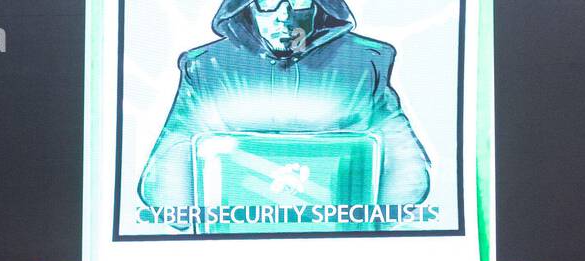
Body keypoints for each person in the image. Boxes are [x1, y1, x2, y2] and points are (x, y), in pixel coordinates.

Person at [139, 0, 431, 219]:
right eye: (268, 3)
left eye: (300, 2)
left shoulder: (365, 63)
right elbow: (164, 184)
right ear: (245, 8)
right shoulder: (205, 67)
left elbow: (408, 172)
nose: (285, 16)